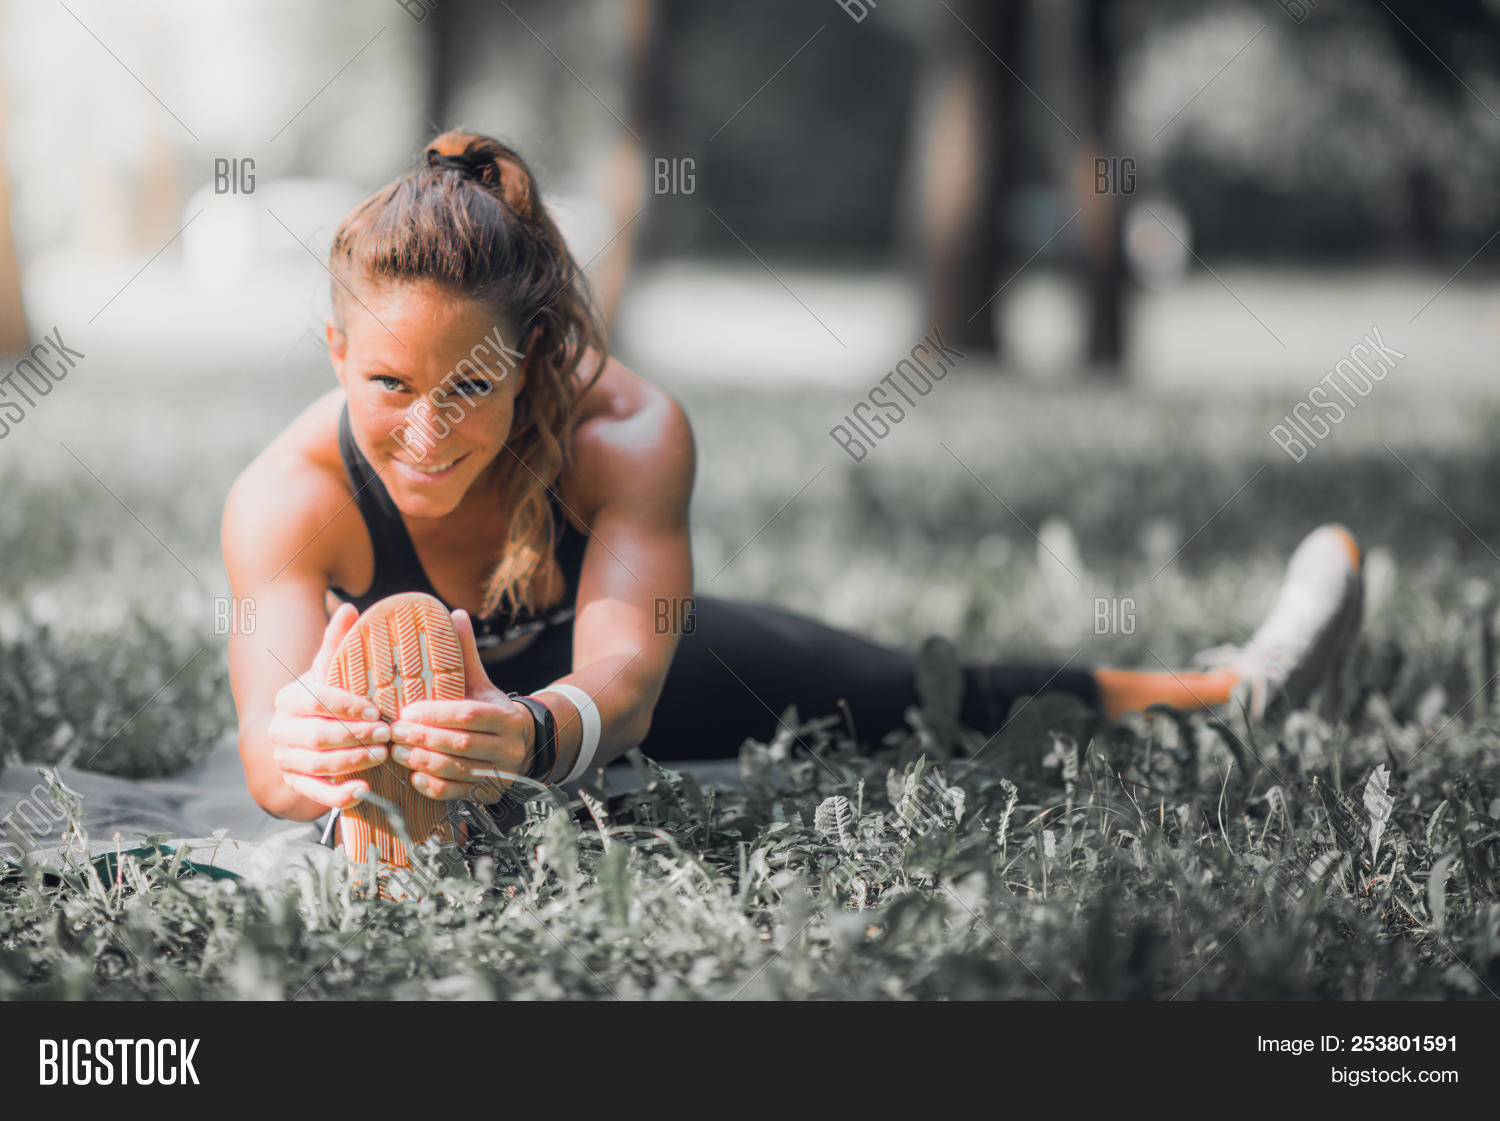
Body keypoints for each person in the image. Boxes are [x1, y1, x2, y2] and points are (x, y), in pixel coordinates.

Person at [220, 130, 1363, 855]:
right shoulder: (288, 497)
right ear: (333, 350)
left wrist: (520, 733)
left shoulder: (630, 434)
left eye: (472, 384)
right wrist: (311, 752)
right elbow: (265, 755)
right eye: (387, 382)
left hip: (589, 691)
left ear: (530, 357)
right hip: (425, 726)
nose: (426, 430)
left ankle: (1234, 686)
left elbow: (623, 690)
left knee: (921, 692)